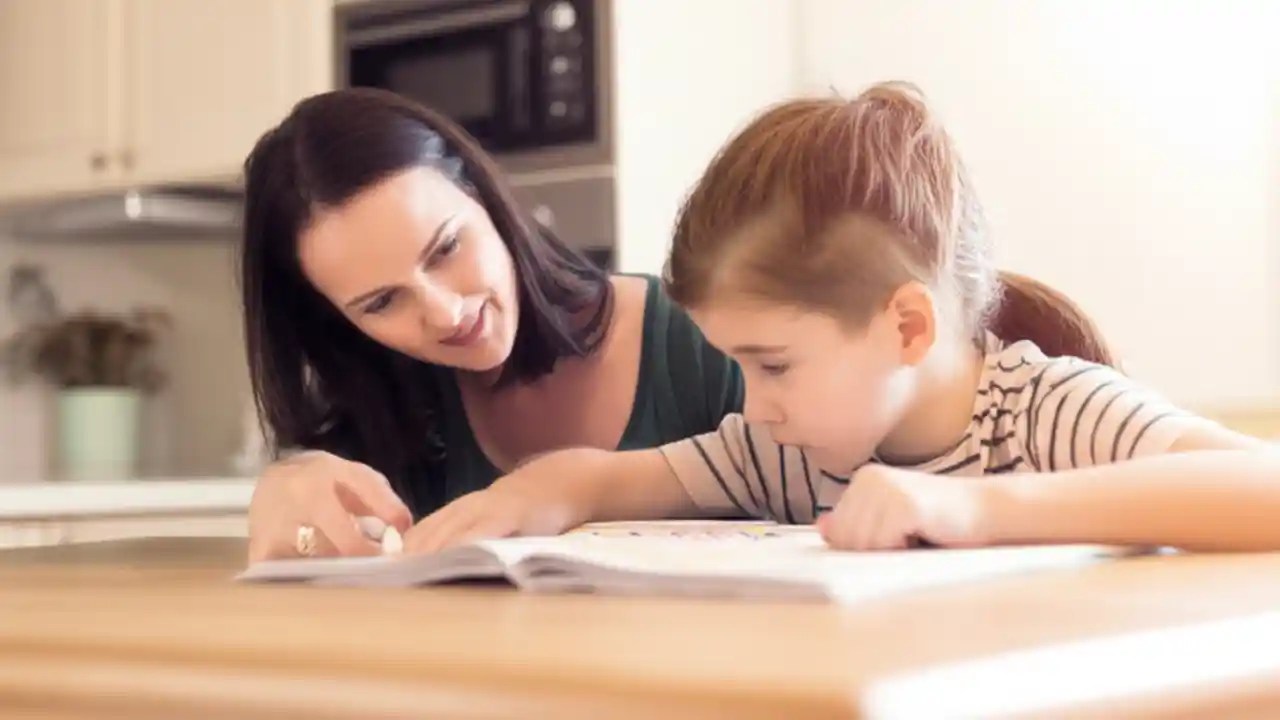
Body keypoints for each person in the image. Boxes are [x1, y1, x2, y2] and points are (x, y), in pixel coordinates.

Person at [405, 82, 1280, 555]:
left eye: (774, 363)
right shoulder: (781, 455)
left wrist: (974, 511)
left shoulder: (1044, 411)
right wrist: (535, 490)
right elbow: (601, 481)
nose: (751, 405)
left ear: (906, 328)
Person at [239, 88, 742, 561]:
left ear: (483, 196)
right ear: (340, 325)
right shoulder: (387, 409)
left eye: (447, 248)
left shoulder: (705, 337)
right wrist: (291, 487)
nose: (446, 313)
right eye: (382, 302)